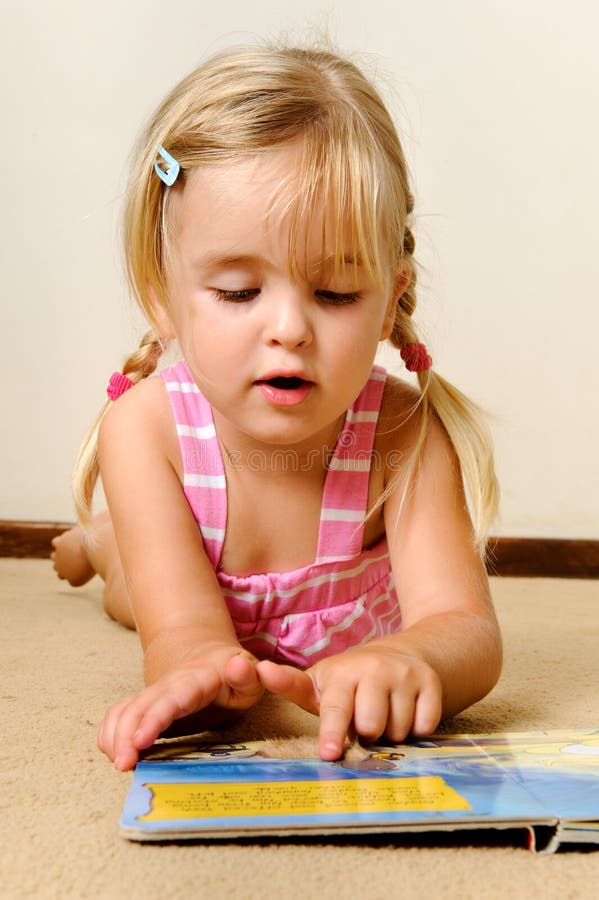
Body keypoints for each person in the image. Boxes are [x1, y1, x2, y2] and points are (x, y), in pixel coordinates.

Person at [51, 42, 502, 772]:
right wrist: (197, 664)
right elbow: (184, 634)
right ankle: (102, 545)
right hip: (187, 580)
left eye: (335, 293)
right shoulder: (145, 431)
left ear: (391, 298)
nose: (288, 329)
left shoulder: (403, 435)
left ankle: (108, 542)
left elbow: (467, 628)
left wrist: (413, 657)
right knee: (133, 590)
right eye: (237, 293)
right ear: (162, 296)